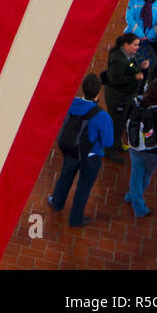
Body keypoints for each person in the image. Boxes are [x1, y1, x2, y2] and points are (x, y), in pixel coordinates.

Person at [48, 74, 114, 227]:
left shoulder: (70, 103)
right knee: (83, 187)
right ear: (98, 93)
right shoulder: (102, 116)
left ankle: (56, 202)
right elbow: (108, 141)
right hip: (91, 157)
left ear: (83, 89)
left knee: (65, 176)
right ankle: (75, 218)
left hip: (71, 150)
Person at [125, 78, 157, 217]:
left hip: (135, 146)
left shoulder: (137, 103)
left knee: (136, 175)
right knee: (145, 176)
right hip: (155, 152)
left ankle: (131, 196)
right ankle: (139, 208)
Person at [104, 33, 144, 160]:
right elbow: (115, 79)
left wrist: (140, 68)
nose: (138, 47)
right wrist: (135, 77)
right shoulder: (118, 59)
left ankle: (117, 144)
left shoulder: (126, 55)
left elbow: (130, 66)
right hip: (117, 97)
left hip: (124, 96)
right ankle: (110, 151)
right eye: (135, 45)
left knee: (120, 123)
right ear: (126, 44)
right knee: (116, 124)